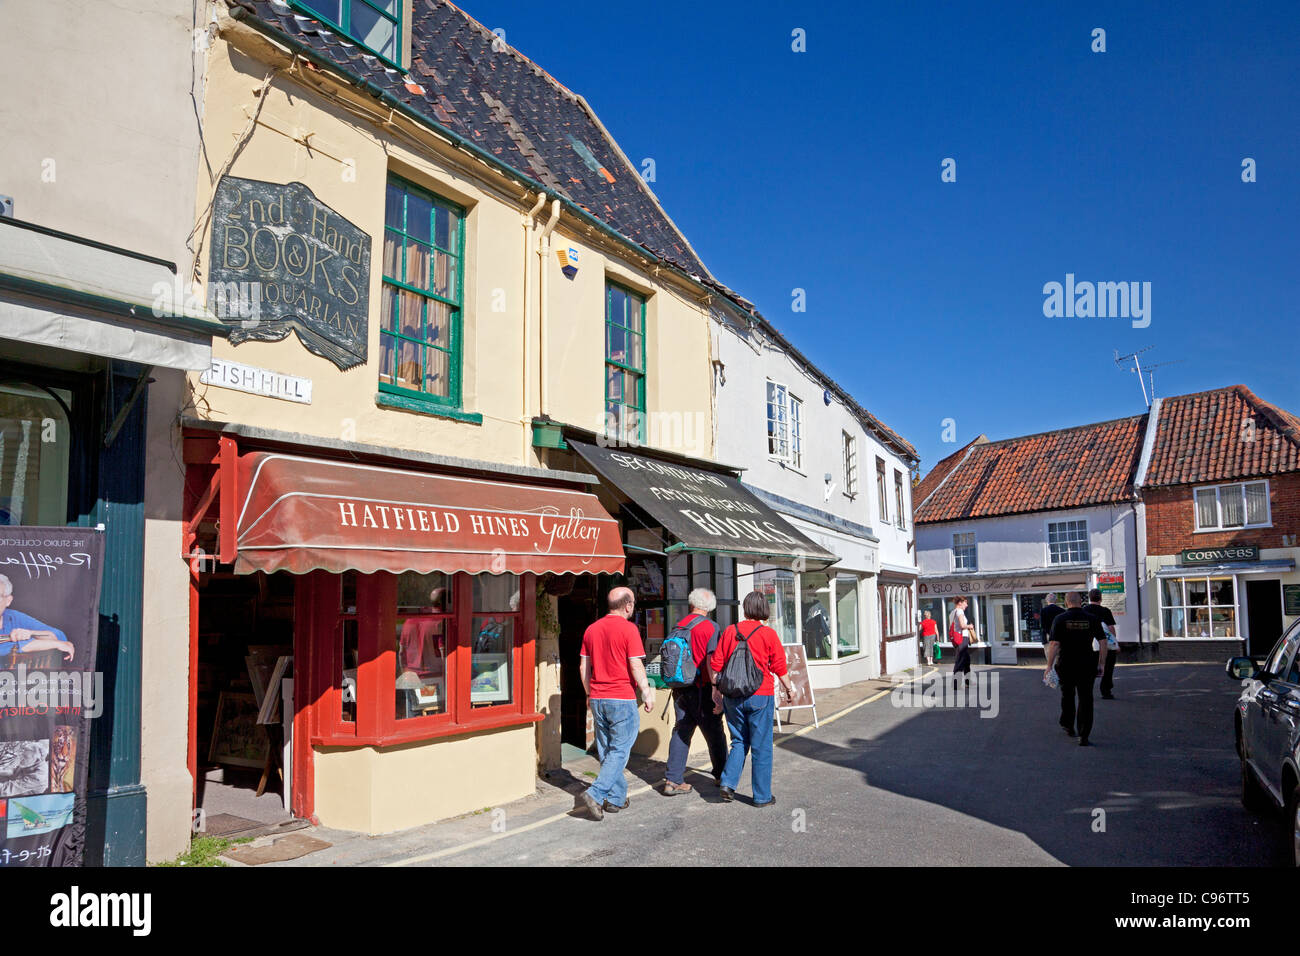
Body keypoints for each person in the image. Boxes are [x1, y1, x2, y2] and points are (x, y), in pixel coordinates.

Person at [576, 587, 654, 820]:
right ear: (628, 605)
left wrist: (590, 693)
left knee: (608, 750)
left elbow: (583, 667)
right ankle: (596, 793)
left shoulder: (591, 629)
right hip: (621, 698)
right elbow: (636, 665)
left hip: (598, 697)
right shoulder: (629, 630)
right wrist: (647, 692)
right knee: (620, 751)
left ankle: (617, 798)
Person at [709, 590, 792, 807]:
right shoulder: (769, 634)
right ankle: (762, 796)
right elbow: (779, 667)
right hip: (760, 695)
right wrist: (790, 689)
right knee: (761, 746)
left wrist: (715, 691)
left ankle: (728, 783)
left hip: (733, 696)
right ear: (765, 610)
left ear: (745, 608)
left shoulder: (730, 631)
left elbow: (716, 665)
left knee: (738, 741)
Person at [662, 588, 728, 796]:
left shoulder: (679, 625)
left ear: (692, 604)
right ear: (709, 607)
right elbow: (711, 660)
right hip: (703, 688)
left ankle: (672, 780)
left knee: (681, 731)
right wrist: (716, 689)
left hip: (681, 689)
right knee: (715, 732)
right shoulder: (711, 627)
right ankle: (722, 776)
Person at [1046, 591, 1108, 746]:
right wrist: (1102, 663)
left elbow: (1054, 644)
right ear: (1081, 602)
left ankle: (1068, 725)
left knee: (1067, 694)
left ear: (1066, 602)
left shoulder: (1060, 619)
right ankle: (1084, 734)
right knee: (1086, 698)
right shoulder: (1092, 619)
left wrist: (1049, 666)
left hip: (1066, 663)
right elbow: (1103, 641)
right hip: (1087, 663)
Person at [0, 574, 74, 662]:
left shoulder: (13, 617)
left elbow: (59, 637)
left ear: (8, 601)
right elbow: (3, 649)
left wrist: (31, 633)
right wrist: (33, 643)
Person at [1084, 588, 1119, 699]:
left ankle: (1087, 692)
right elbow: (1110, 628)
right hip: (1106, 645)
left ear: (1089, 598)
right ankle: (1106, 691)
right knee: (1108, 669)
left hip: (1089, 646)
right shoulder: (1105, 611)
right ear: (1101, 598)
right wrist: (1115, 643)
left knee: (1089, 669)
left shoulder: (1084, 610)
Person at [948, 596, 975, 686]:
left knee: (966, 660)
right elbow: (962, 625)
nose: (966, 605)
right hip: (962, 638)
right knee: (960, 660)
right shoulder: (959, 611)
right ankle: (956, 684)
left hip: (957, 638)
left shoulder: (952, 612)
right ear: (960, 603)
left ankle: (967, 682)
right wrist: (970, 626)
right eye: (965, 603)